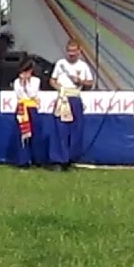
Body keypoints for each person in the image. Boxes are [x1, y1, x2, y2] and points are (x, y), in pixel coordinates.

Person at [48, 42, 94, 171]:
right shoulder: (60, 64)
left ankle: (71, 159)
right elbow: (52, 80)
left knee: (75, 130)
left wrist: (81, 82)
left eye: (74, 51)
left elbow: (90, 83)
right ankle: (57, 160)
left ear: (79, 51)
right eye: (69, 51)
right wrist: (59, 89)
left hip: (75, 97)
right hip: (63, 98)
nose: (71, 54)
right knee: (60, 130)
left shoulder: (83, 66)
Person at [11, 60, 43, 168]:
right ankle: (23, 160)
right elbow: (19, 94)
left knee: (34, 134)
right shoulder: (16, 82)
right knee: (22, 135)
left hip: (32, 107)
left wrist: (27, 83)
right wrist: (22, 83)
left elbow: (32, 94)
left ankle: (36, 159)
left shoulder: (36, 81)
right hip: (22, 108)